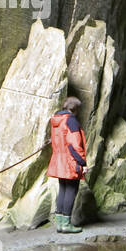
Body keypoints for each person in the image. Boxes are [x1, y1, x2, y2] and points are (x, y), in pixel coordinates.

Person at [46, 96, 87, 233]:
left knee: (63, 189)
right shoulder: (71, 121)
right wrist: (82, 163)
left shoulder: (57, 120)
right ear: (75, 109)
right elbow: (75, 145)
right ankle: (66, 225)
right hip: (70, 161)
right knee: (71, 190)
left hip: (59, 160)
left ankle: (60, 224)